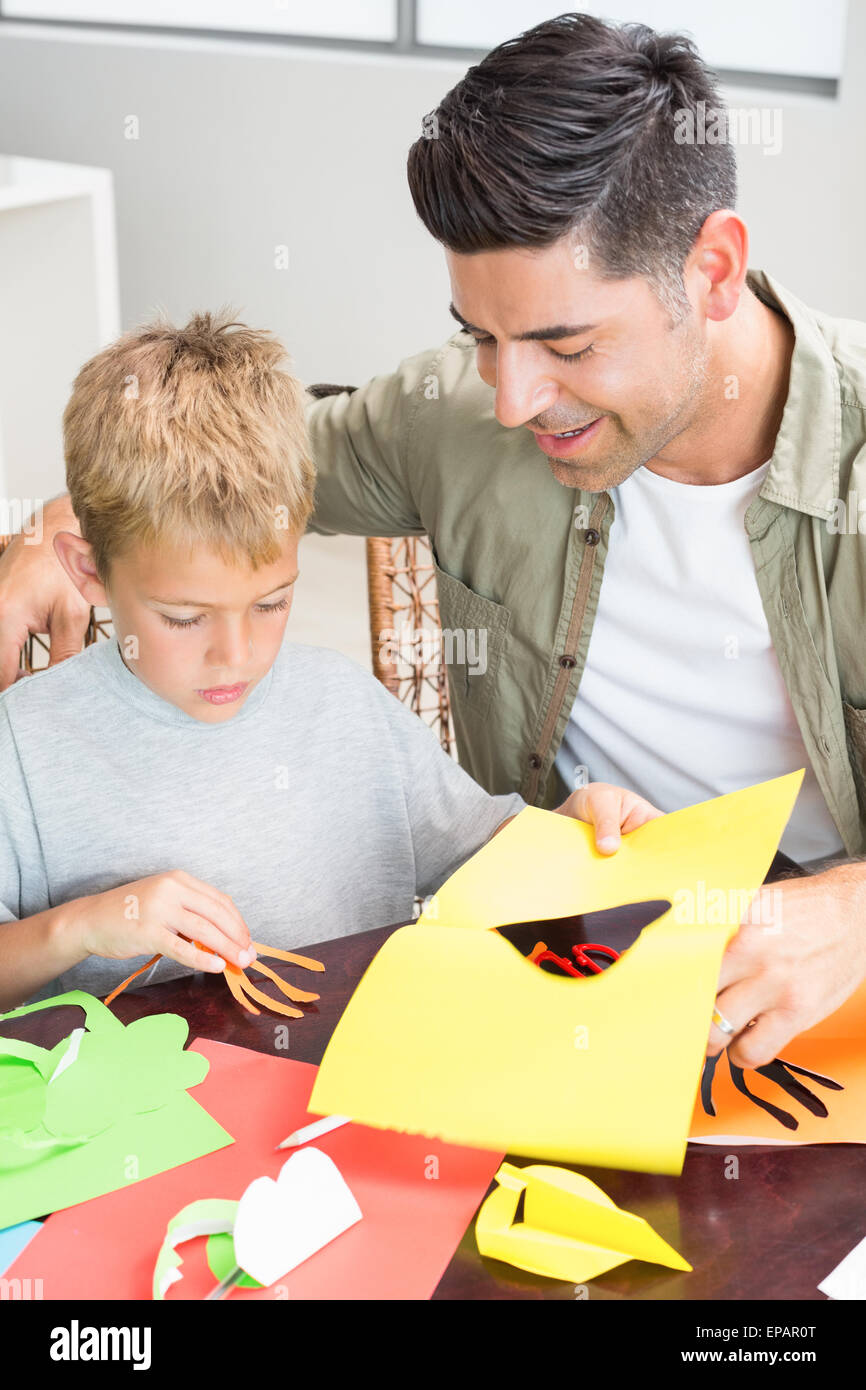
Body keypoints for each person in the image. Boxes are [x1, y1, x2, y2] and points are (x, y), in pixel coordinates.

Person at [2, 18, 864, 1063]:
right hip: (580, 973)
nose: (509, 402)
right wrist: (50, 531)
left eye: (564, 343)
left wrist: (846, 915)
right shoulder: (451, 416)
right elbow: (210, 479)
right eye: (479, 336)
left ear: (713, 268)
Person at [0, 309, 658, 1012]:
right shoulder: (25, 749)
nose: (237, 656)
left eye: (271, 603)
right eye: (184, 618)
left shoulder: (344, 705)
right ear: (89, 572)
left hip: (351, 1095)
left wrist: (571, 831)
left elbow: (484, 856)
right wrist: (81, 925)